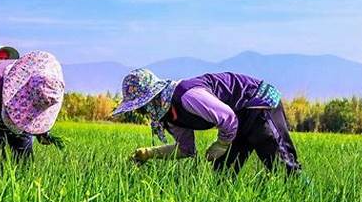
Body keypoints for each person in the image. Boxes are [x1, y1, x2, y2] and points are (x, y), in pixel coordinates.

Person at [112, 68, 302, 175]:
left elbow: (227, 118)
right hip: (239, 116)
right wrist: (149, 153)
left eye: (141, 106)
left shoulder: (187, 95)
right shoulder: (170, 116)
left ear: (153, 98)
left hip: (258, 102)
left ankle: (306, 198)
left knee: (283, 166)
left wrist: (221, 144)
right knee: (222, 172)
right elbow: (186, 149)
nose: (142, 111)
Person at [0, 51, 65, 159]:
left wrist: (43, 131)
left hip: (3, 101)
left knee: (24, 157)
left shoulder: (48, 87)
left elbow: (39, 108)